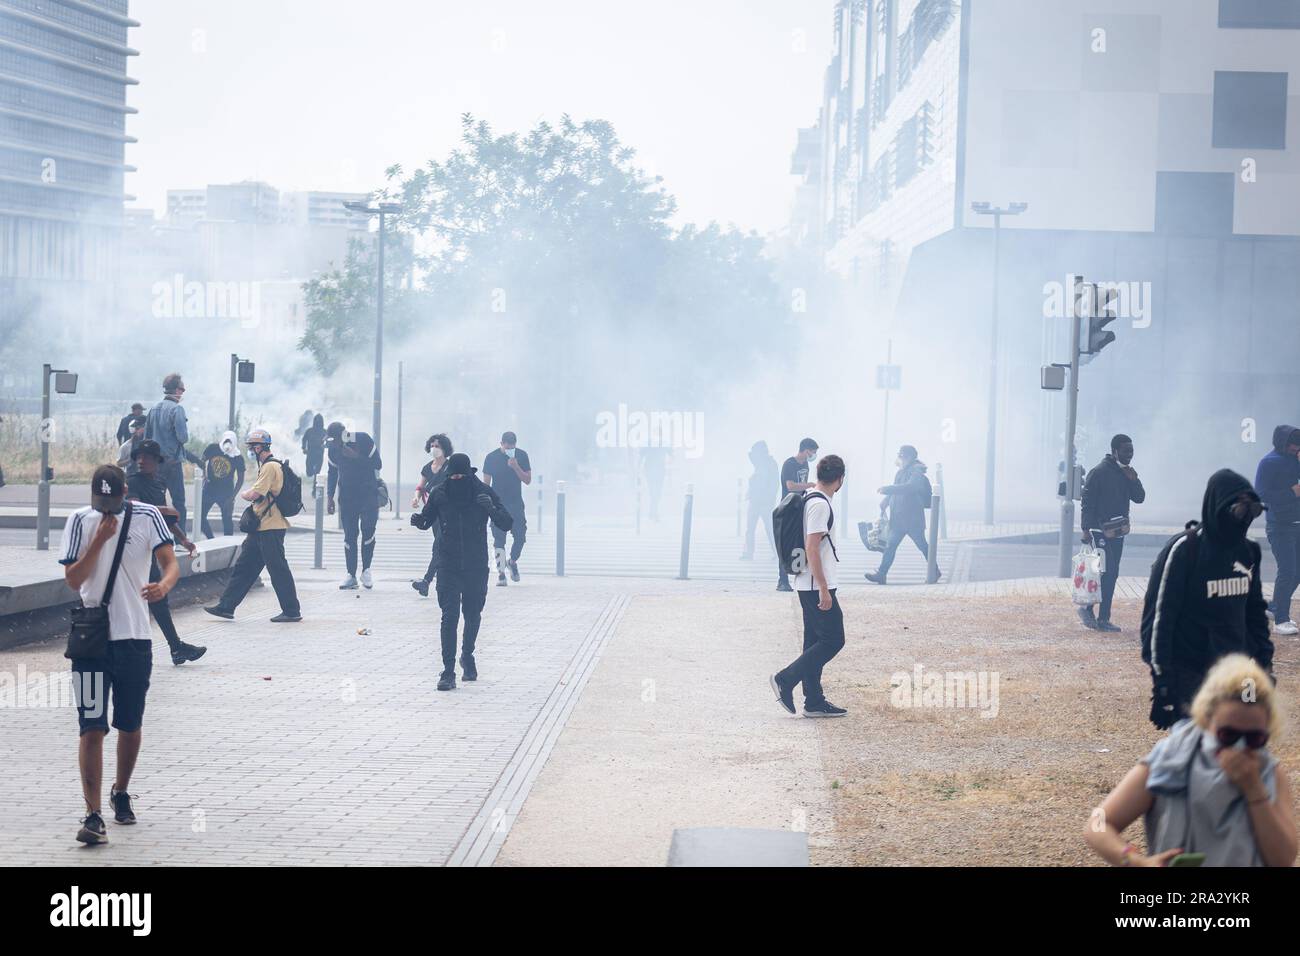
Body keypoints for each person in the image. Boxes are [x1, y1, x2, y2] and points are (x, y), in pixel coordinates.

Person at [1083, 654, 1296, 867]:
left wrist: (1255, 791)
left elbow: (1283, 859)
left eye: (1254, 739)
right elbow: (1098, 822)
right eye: (1228, 736)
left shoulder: (1270, 773)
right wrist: (1134, 860)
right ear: (1206, 719)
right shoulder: (1167, 761)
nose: (1239, 748)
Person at [60, 465, 179, 845]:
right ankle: (93, 814)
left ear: (125, 492)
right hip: (92, 644)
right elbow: (74, 580)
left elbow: (170, 562)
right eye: (100, 502)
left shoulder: (147, 516)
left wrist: (163, 585)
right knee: (91, 724)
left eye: (112, 502)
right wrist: (97, 541)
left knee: (129, 723)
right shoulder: (80, 520)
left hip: (134, 640)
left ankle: (120, 790)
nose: (106, 509)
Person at [1141, 469, 1274, 729]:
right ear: (1219, 508)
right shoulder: (1184, 551)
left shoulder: (1249, 553)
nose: (1246, 519)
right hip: (1190, 673)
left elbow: (1255, 615)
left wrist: (1264, 663)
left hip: (1237, 673)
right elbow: (1159, 620)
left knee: (1239, 753)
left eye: (1254, 511)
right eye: (1240, 510)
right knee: (1195, 753)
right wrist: (1163, 682)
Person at [412, 453, 514, 691]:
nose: (457, 479)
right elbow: (427, 521)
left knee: (472, 613)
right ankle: (448, 671)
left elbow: (507, 523)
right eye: (453, 475)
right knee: (449, 616)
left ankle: (467, 655)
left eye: (461, 475)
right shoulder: (440, 493)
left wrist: (491, 510)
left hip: (475, 564)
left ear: (469, 474)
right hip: (448, 563)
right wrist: (419, 520)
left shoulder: (482, 493)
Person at [770, 454, 847, 718]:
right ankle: (785, 679)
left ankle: (813, 700)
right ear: (839, 480)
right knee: (834, 640)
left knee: (814, 642)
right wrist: (824, 588)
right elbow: (812, 546)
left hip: (811, 582)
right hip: (815, 584)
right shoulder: (820, 505)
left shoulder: (813, 499)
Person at [203, 429, 302, 623]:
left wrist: (243, 494)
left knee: (278, 568)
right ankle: (226, 607)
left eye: (251, 447)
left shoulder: (270, 467)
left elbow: (256, 493)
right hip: (261, 527)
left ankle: (291, 610)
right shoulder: (267, 466)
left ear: (259, 447)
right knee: (244, 567)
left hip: (271, 526)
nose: (250, 451)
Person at [126, 440, 207, 666]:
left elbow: (166, 518)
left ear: (157, 461)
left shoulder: (158, 483)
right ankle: (173, 647)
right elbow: (134, 506)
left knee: (155, 599)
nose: (142, 461)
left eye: (147, 457)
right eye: (139, 457)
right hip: (133, 550)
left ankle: (175, 647)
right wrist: (166, 509)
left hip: (149, 549)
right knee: (145, 599)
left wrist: (184, 539)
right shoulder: (132, 482)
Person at [1077, 434, 1146, 632]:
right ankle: (1097, 615)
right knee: (1109, 572)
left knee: (1110, 573)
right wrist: (1085, 529)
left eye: (1131, 451)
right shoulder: (1098, 472)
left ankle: (1092, 612)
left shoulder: (1127, 473)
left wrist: (1134, 480)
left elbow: (1140, 498)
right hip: (1100, 532)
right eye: (1126, 450)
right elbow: (1087, 503)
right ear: (1115, 450)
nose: (1130, 455)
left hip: (1119, 532)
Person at [864, 445, 936, 585]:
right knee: (890, 546)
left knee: (923, 546)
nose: (899, 459)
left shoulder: (917, 472)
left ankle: (935, 571)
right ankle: (881, 574)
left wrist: (887, 489)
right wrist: (886, 500)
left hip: (912, 519)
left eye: (901, 456)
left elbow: (911, 487)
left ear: (908, 457)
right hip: (898, 518)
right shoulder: (901, 472)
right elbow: (896, 489)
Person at [1254, 424, 1300, 637]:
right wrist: (1291, 492)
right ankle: (1281, 620)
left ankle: (1274, 607)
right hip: (1280, 526)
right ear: (1283, 443)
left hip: (1297, 524)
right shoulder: (1269, 462)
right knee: (1287, 570)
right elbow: (1262, 494)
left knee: (1297, 572)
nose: (1295, 448)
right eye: (1292, 445)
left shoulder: (1296, 460)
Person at [326, 422, 383, 590]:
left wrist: (356, 457)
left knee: (368, 532)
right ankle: (351, 575)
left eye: (335, 440)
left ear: (343, 435)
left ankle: (366, 570)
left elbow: (378, 464)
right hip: (347, 497)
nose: (333, 444)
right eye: (330, 441)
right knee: (350, 536)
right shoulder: (333, 448)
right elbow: (332, 472)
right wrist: (330, 497)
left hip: (368, 494)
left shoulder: (363, 439)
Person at [145, 373, 201, 533]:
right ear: (176, 390)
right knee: (178, 503)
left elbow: (146, 438)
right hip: (173, 463)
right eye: (182, 389)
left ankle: (158, 533)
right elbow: (183, 438)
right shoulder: (177, 409)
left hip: (156, 464)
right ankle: (179, 536)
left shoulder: (153, 409)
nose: (183, 392)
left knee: (157, 501)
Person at [482, 431, 531, 587]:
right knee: (499, 539)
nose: (510, 449)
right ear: (501, 444)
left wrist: (516, 467)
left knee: (520, 536)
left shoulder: (521, 456)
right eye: (507, 446)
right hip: (498, 505)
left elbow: (527, 480)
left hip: (516, 503)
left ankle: (513, 561)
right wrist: (487, 505)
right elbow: (486, 485)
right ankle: (501, 573)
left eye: (512, 446)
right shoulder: (491, 458)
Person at [410, 433, 452, 597]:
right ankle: (444, 579)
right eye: (433, 445)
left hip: (448, 513)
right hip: (433, 514)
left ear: (445, 449)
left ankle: (426, 581)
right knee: (442, 548)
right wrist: (416, 498)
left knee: (439, 547)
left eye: (438, 446)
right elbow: (420, 486)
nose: (435, 449)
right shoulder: (428, 467)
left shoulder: (450, 466)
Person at [776, 438, 818, 592]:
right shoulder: (789, 464)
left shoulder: (805, 464)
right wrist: (810, 485)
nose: (813, 455)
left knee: (799, 544)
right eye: (813, 451)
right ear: (806, 450)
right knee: (786, 544)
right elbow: (790, 486)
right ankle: (782, 580)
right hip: (788, 507)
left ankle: (798, 578)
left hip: (800, 507)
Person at [199, 430, 245, 538]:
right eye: (226, 440)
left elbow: (241, 479)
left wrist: (232, 497)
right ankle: (211, 539)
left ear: (234, 442)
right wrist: (204, 474)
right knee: (200, 517)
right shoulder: (213, 448)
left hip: (226, 493)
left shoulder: (238, 457)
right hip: (209, 489)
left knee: (227, 521)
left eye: (230, 441)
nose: (228, 443)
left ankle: (227, 545)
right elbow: (202, 460)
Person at [740, 440, 778, 560]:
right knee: (750, 529)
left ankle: (777, 553)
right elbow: (750, 456)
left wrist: (770, 499)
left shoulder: (771, 463)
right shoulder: (759, 462)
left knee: (770, 529)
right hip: (755, 500)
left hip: (765, 502)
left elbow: (774, 484)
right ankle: (748, 553)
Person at [640, 446, 668, 524]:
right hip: (652, 470)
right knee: (654, 493)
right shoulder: (651, 443)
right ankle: (654, 513)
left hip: (657, 470)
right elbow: (641, 455)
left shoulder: (660, 443)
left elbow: (641, 455)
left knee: (656, 493)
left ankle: (652, 512)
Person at [301, 413, 326, 479]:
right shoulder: (309, 431)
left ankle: (315, 487)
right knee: (309, 473)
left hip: (319, 455)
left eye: (319, 421)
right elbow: (304, 439)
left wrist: (325, 445)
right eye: (316, 421)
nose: (318, 423)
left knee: (317, 474)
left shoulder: (324, 432)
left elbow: (328, 441)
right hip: (310, 454)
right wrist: (304, 448)